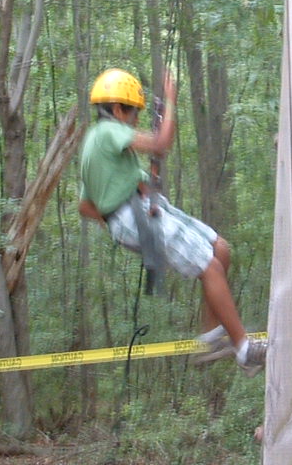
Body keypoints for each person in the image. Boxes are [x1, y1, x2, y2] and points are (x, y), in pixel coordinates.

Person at [78, 67, 267, 374]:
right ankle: (244, 349)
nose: (136, 121)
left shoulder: (94, 144)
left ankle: (210, 337)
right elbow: (160, 143)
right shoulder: (107, 130)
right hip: (132, 215)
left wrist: (126, 203)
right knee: (210, 266)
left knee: (220, 250)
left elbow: (85, 205)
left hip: (142, 209)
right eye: (133, 113)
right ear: (115, 109)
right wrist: (170, 100)